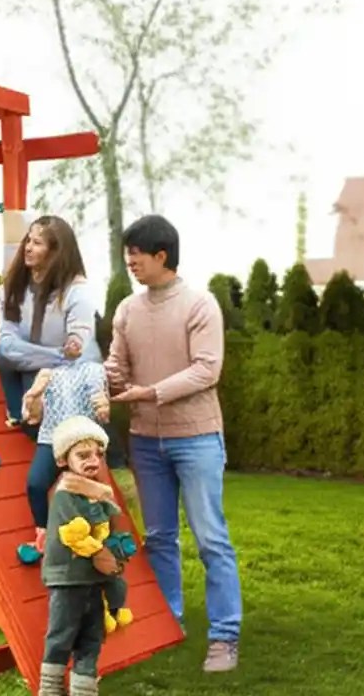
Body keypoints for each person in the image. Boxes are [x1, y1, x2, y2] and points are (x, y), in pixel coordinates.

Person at [105, 214, 243, 673]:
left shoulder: (199, 305)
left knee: (211, 539)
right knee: (159, 539)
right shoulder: (127, 309)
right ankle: (168, 625)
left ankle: (225, 637)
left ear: (161, 256)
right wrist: (105, 379)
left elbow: (208, 369)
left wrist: (151, 392)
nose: (131, 264)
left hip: (198, 438)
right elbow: (117, 365)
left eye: (136, 256)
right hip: (145, 440)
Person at [37, 416, 137, 696]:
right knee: (61, 636)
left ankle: (83, 689)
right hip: (68, 578)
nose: (92, 460)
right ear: (62, 460)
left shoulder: (96, 491)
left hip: (93, 580)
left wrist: (117, 546)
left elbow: (108, 526)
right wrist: (103, 554)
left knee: (92, 637)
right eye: (83, 455)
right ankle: (50, 690)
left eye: (98, 454)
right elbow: (74, 534)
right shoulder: (65, 493)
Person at [0, 214, 99, 435]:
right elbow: (7, 337)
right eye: (28, 241)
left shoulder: (76, 290)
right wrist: (58, 355)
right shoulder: (13, 285)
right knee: (3, 351)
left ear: (55, 252)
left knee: (76, 361)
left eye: (37, 243)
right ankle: (17, 415)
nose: (28, 248)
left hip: (59, 373)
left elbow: (80, 338)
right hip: (29, 359)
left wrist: (73, 345)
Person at [18, 357, 111, 560]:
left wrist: (104, 406)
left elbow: (104, 413)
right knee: (36, 483)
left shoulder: (94, 369)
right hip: (53, 436)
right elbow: (31, 417)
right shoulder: (46, 368)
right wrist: (34, 395)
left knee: (91, 489)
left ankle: (98, 537)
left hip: (85, 436)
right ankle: (44, 531)